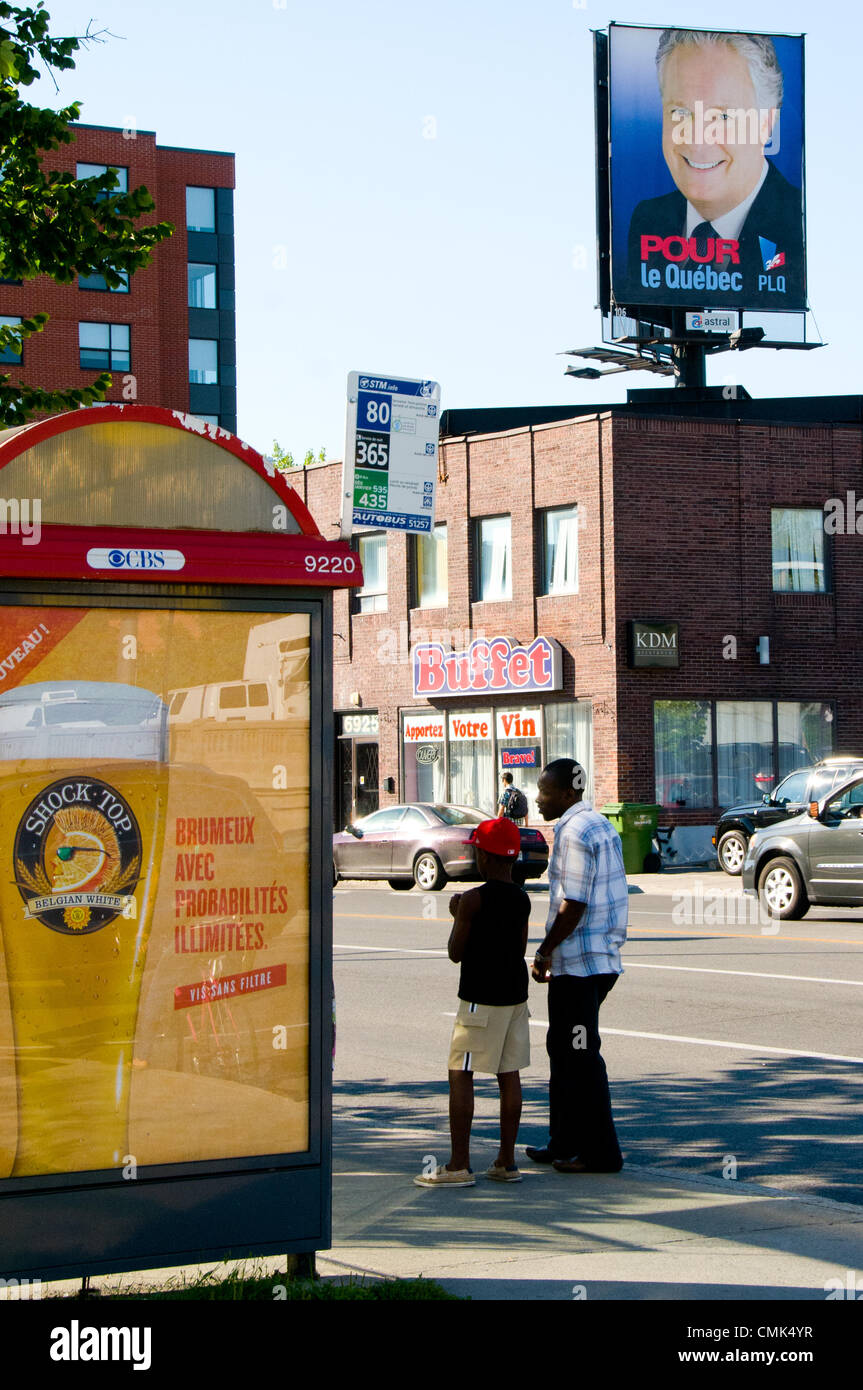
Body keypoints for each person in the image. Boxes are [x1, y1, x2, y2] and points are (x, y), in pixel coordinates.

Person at [625, 28, 804, 311]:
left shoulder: (794, 226)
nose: (698, 139)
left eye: (722, 116)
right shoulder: (647, 221)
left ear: (766, 124)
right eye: (680, 113)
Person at [414, 817, 530, 1187]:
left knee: (460, 1073)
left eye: (478, 851)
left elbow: (455, 952)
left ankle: (459, 1164)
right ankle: (506, 1161)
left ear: (486, 858)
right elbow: (517, 945)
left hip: (480, 998)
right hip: (515, 996)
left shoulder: (473, 899)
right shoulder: (523, 898)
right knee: (508, 1073)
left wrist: (458, 916)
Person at [526, 758, 628, 1174]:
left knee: (582, 1054)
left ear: (567, 794)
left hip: (580, 964)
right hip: (597, 959)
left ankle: (601, 1154)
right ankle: (563, 1141)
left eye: (545, 792)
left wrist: (544, 949)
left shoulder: (573, 830)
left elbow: (574, 903)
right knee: (563, 1050)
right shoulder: (600, 823)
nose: (538, 798)